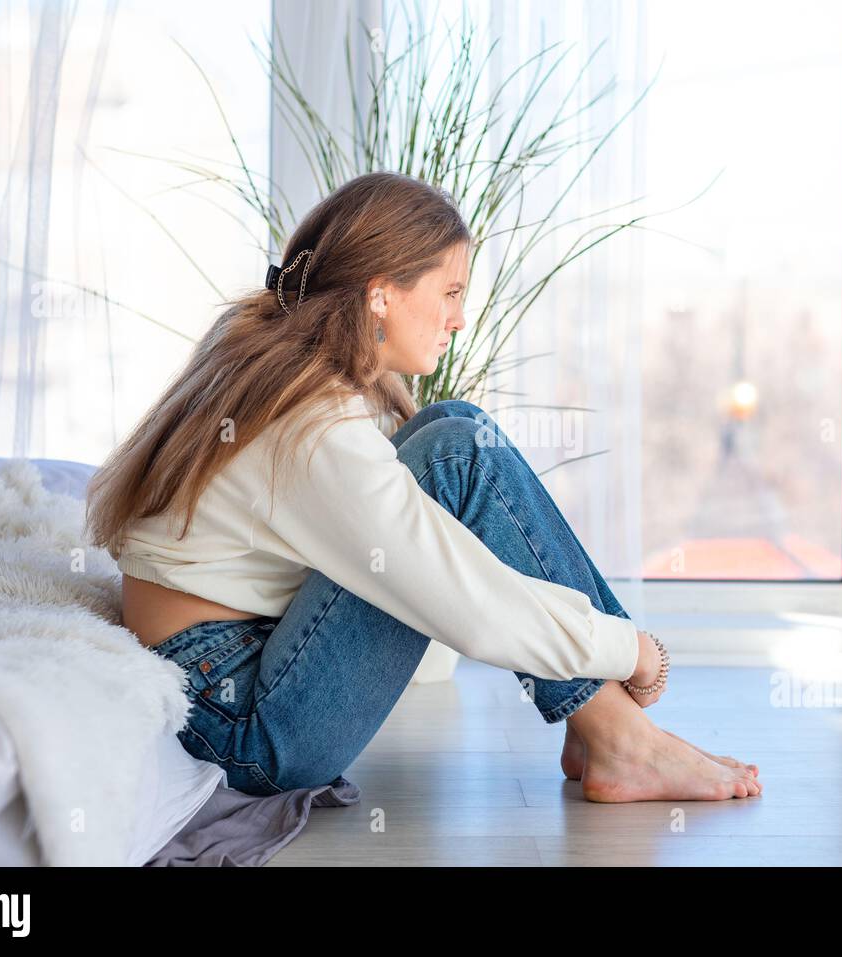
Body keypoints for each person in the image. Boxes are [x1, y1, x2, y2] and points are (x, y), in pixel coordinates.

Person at [85, 171, 761, 803]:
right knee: (459, 451)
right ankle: (619, 735)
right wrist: (629, 647)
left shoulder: (279, 357)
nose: (459, 319)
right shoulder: (309, 421)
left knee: (456, 433)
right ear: (380, 293)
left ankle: (607, 730)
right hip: (241, 721)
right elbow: (467, 599)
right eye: (450, 292)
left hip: (226, 671)